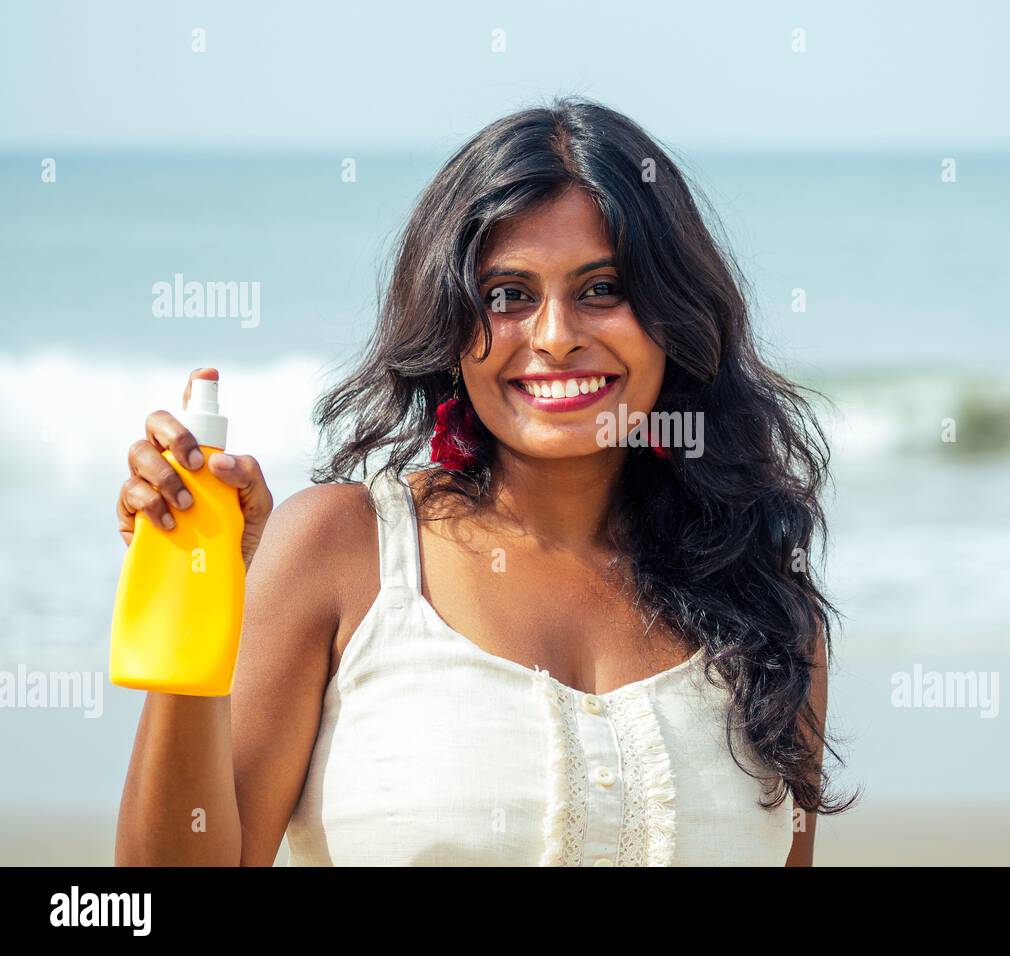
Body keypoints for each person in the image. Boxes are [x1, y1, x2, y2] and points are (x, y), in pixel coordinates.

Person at [115, 97, 856, 866]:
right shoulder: (342, 553)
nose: (557, 335)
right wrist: (195, 603)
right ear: (448, 321)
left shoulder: (768, 605)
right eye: (508, 296)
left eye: (602, 289)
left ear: (675, 313)